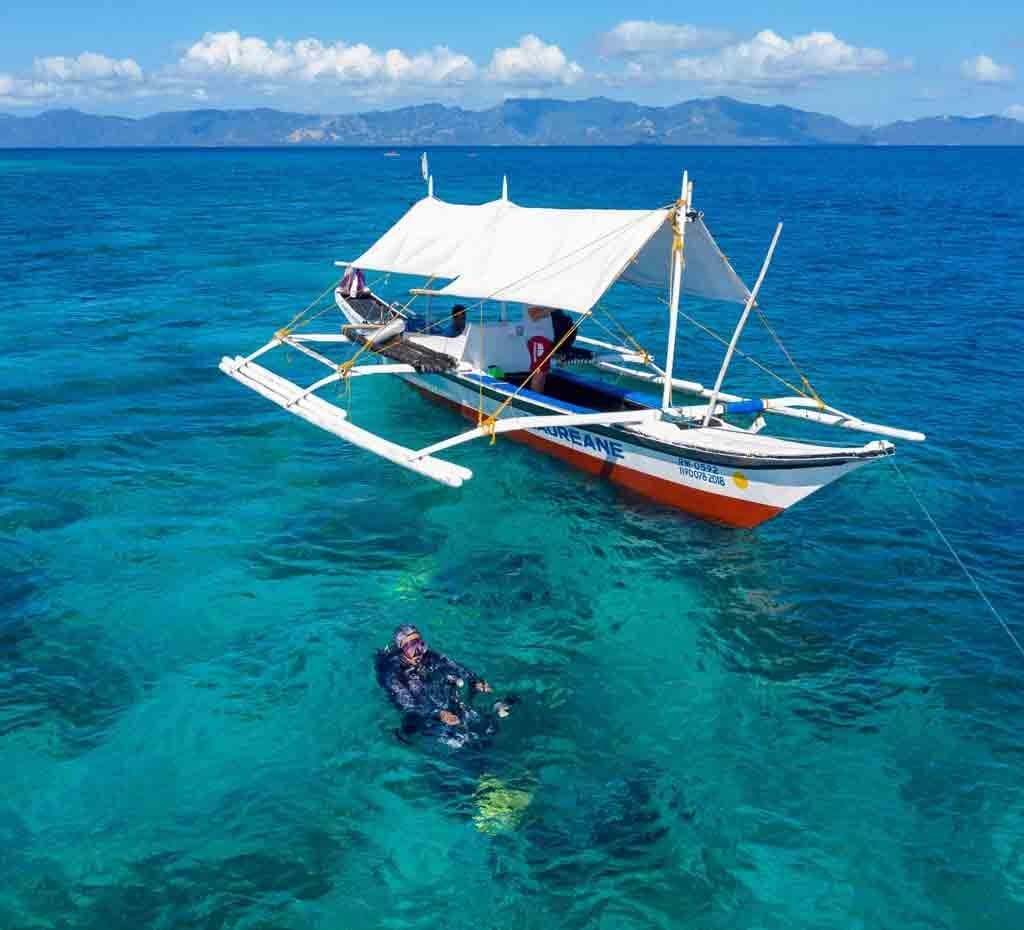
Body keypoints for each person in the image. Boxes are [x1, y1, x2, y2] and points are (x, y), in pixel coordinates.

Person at [375, 625, 513, 748]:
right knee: (458, 741)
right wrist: (437, 714)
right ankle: (398, 734)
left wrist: (475, 680)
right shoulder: (392, 673)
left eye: (419, 644)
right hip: (418, 714)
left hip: (435, 700)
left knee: (489, 726)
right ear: (401, 650)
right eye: (410, 647)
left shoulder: (428, 656)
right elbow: (408, 705)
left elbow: (456, 667)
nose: (418, 651)